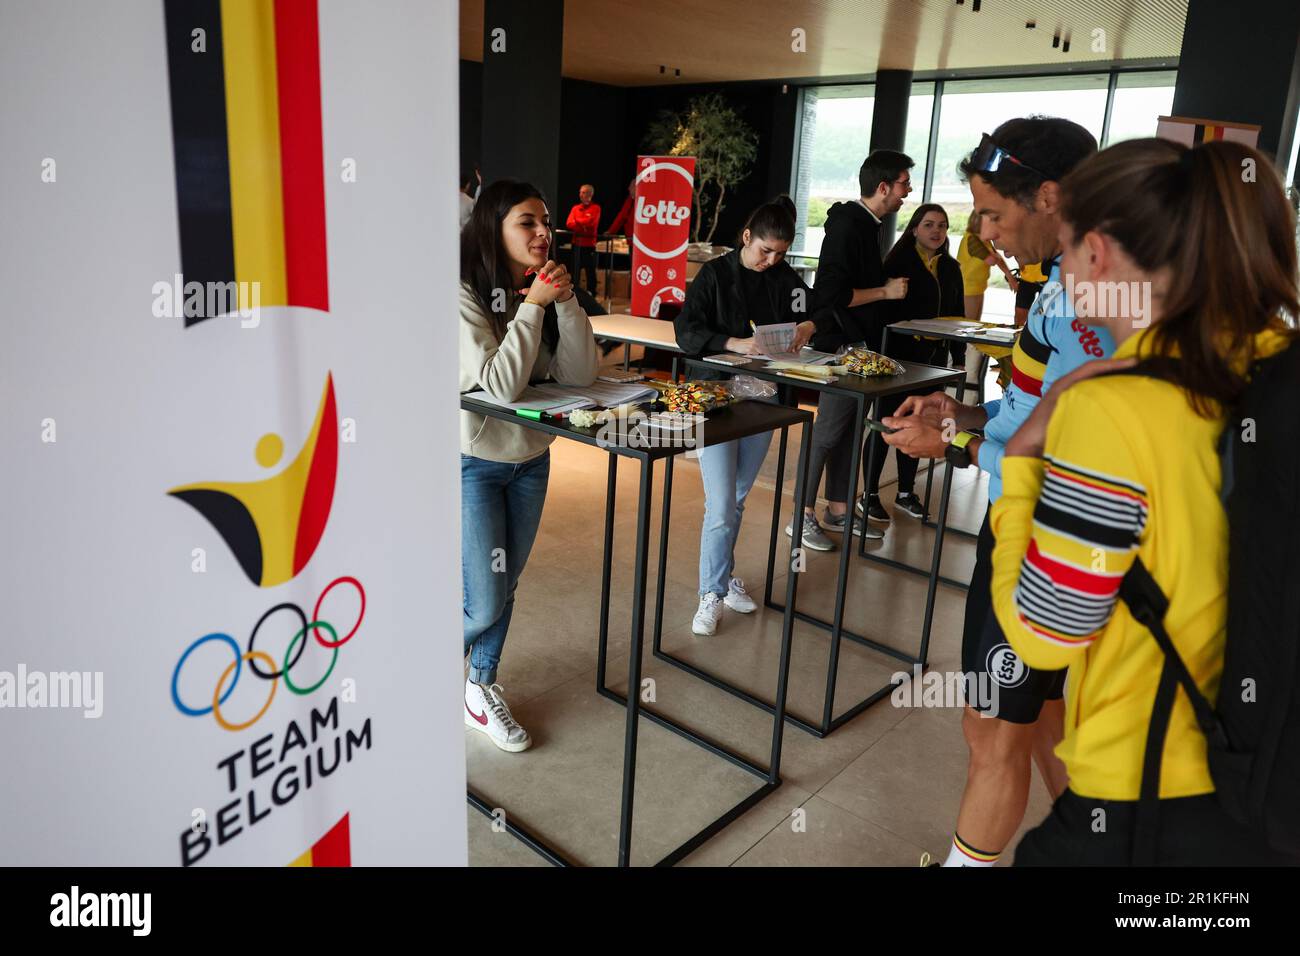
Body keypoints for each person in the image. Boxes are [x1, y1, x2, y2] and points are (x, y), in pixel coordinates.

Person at [992, 138, 1299, 865]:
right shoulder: (1271, 361)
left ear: (1097, 253)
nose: (1063, 273)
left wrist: (1018, 472)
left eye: (1065, 253)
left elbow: (1043, 635)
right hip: (1268, 786)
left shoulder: (1116, 410)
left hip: (1150, 796)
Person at [882, 117, 1110, 867]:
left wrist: (953, 443)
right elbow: (1028, 415)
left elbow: (1075, 467)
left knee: (993, 733)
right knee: (1037, 722)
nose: (982, 235)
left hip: (1048, 550)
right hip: (1020, 540)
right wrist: (961, 412)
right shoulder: (1058, 286)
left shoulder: (1092, 301)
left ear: (1049, 197)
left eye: (993, 215)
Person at [459, 179, 599, 752]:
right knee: (484, 598)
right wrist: (534, 308)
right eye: (528, 222)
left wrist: (564, 303)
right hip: (472, 463)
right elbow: (496, 384)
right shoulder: (464, 293)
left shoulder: (536, 289)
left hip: (531, 461)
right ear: (494, 227)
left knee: (505, 584)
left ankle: (478, 687)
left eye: (546, 221)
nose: (545, 232)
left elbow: (579, 376)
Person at [674, 198, 836, 635]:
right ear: (746, 237)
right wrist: (734, 343)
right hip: (717, 400)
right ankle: (711, 592)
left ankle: (724, 579)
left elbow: (822, 309)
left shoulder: (784, 278)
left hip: (763, 402)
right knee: (723, 504)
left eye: (781, 253)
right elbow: (686, 333)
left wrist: (807, 327)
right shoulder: (715, 275)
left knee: (737, 499)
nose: (772, 260)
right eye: (765, 250)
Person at [786, 150, 913, 548]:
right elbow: (832, 295)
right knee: (827, 432)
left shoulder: (866, 225)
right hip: (838, 347)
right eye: (903, 184)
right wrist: (885, 291)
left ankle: (838, 508)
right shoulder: (847, 226)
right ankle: (800, 514)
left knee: (849, 432)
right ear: (883, 187)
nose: (907, 191)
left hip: (857, 348)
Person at [861, 204, 965, 523]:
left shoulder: (950, 267)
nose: (936, 231)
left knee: (922, 422)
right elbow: (881, 315)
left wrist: (958, 360)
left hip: (934, 361)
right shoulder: (896, 263)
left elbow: (958, 316)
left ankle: (906, 492)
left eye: (943, 226)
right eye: (929, 224)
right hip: (898, 359)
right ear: (915, 229)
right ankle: (870, 495)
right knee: (887, 421)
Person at [565, 183, 601, 294]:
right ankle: (573, 292)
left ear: (590, 194)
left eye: (584, 192)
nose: (581, 194)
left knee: (590, 272)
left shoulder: (596, 208)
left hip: (589, 245)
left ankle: (592, 293)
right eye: (580, 192)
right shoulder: (575, 208)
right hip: (576, 244)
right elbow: (569, 223)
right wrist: (583, 226)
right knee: (575, 271)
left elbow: (592, 224)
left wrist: (578, 222)